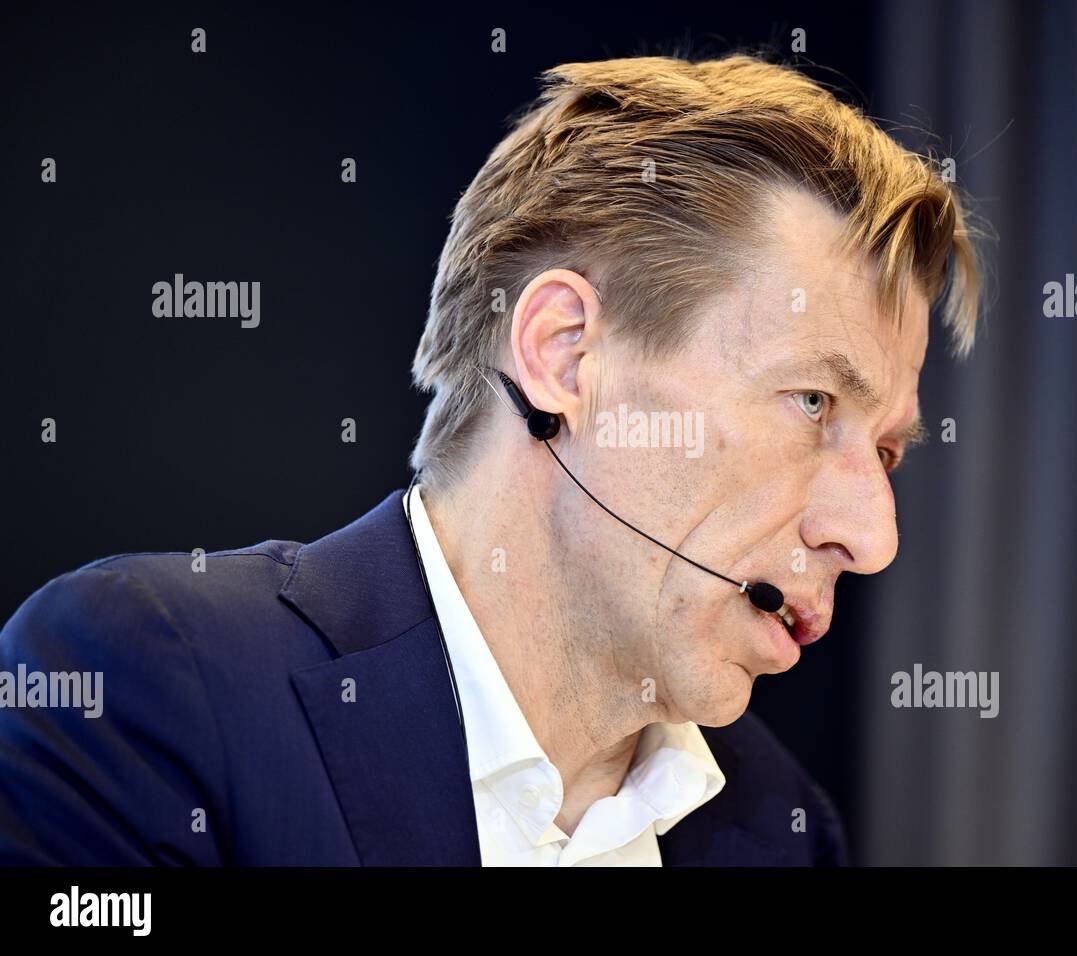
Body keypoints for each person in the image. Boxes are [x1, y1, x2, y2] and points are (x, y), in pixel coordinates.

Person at [0, 52, 980, 865]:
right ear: (564, 354)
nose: (872, 534)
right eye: (813, 401)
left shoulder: (787, 832)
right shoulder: (147, 689)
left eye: (886, 448)